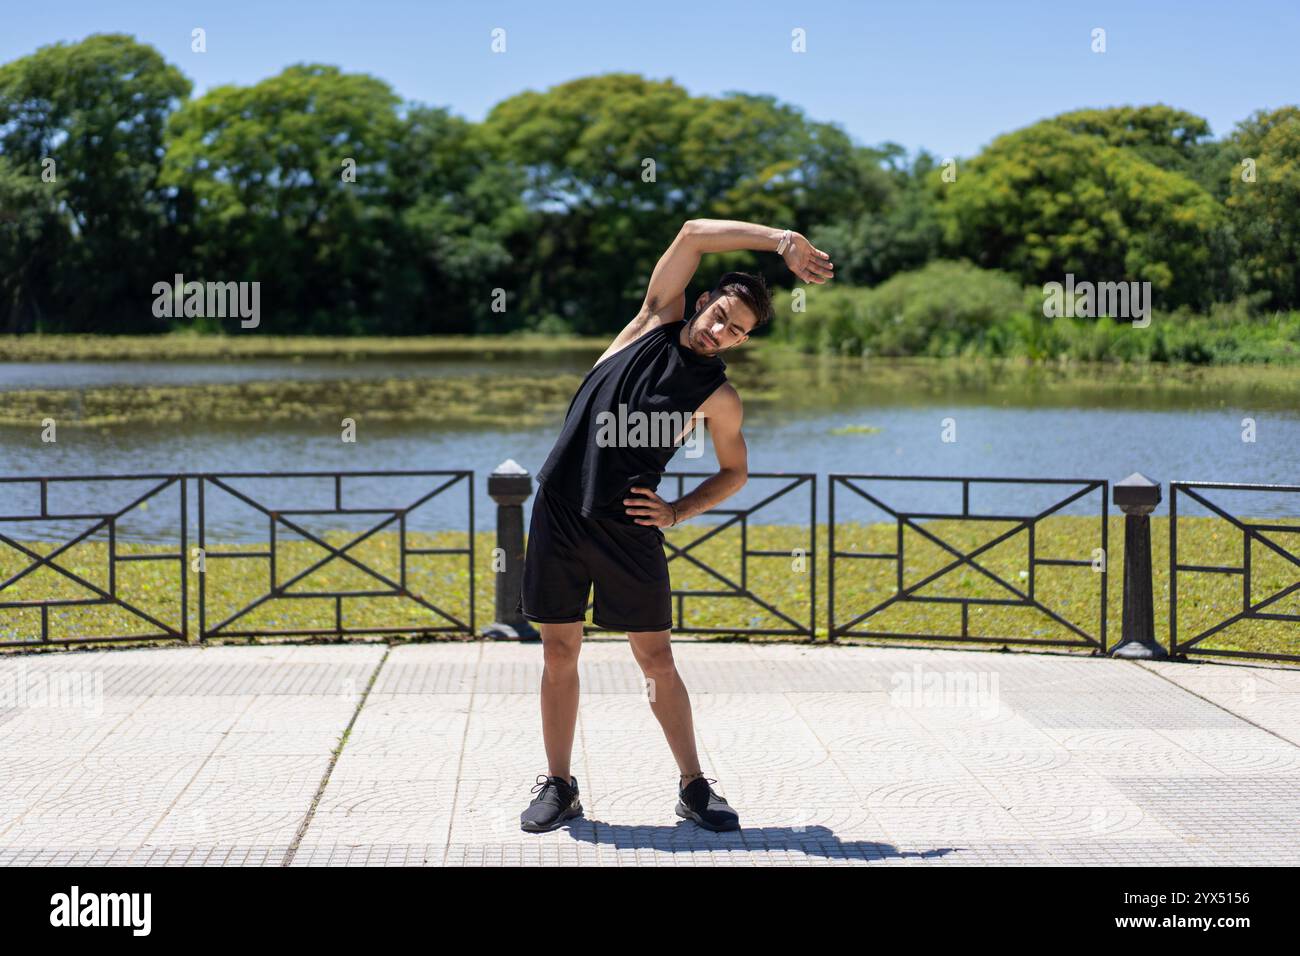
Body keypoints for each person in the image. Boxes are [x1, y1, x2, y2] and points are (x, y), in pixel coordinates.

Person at [516, 218, 834, 833]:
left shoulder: (719, 395)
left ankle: (693, 786)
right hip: (558, 512)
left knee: (657, 660)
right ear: (705, 300)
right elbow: (691, 234)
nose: (722, 333)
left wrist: (678, 511)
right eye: (721, 316)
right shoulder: (649, 323)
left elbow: (735, 470)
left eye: (738, 332)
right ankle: (559, 785)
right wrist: (781, 240)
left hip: (630, 530)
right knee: (558, 652)